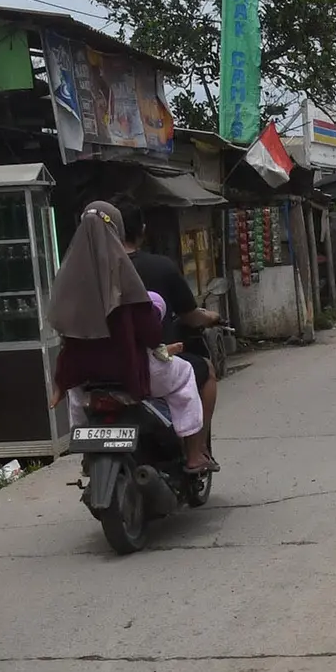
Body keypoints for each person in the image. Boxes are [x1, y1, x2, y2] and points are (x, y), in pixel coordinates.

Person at [49, 201, 210, 473]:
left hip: (83, 374)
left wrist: (61, 381)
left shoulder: (68, 278)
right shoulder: (123, 273)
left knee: (77, 401)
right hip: (128, 369)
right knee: (184, 376)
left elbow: (65, 334)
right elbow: (148, 330)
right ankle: (194, 455)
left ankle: (88, 457)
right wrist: (159, 345)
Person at [124, 213, 222, 460]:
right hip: (150, 364)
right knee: (202, 371)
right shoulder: (160, 268)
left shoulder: (97, 272)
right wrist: (211, 317)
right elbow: (190, 315)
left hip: (101, 368)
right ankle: (195, 451)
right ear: (142, 229)